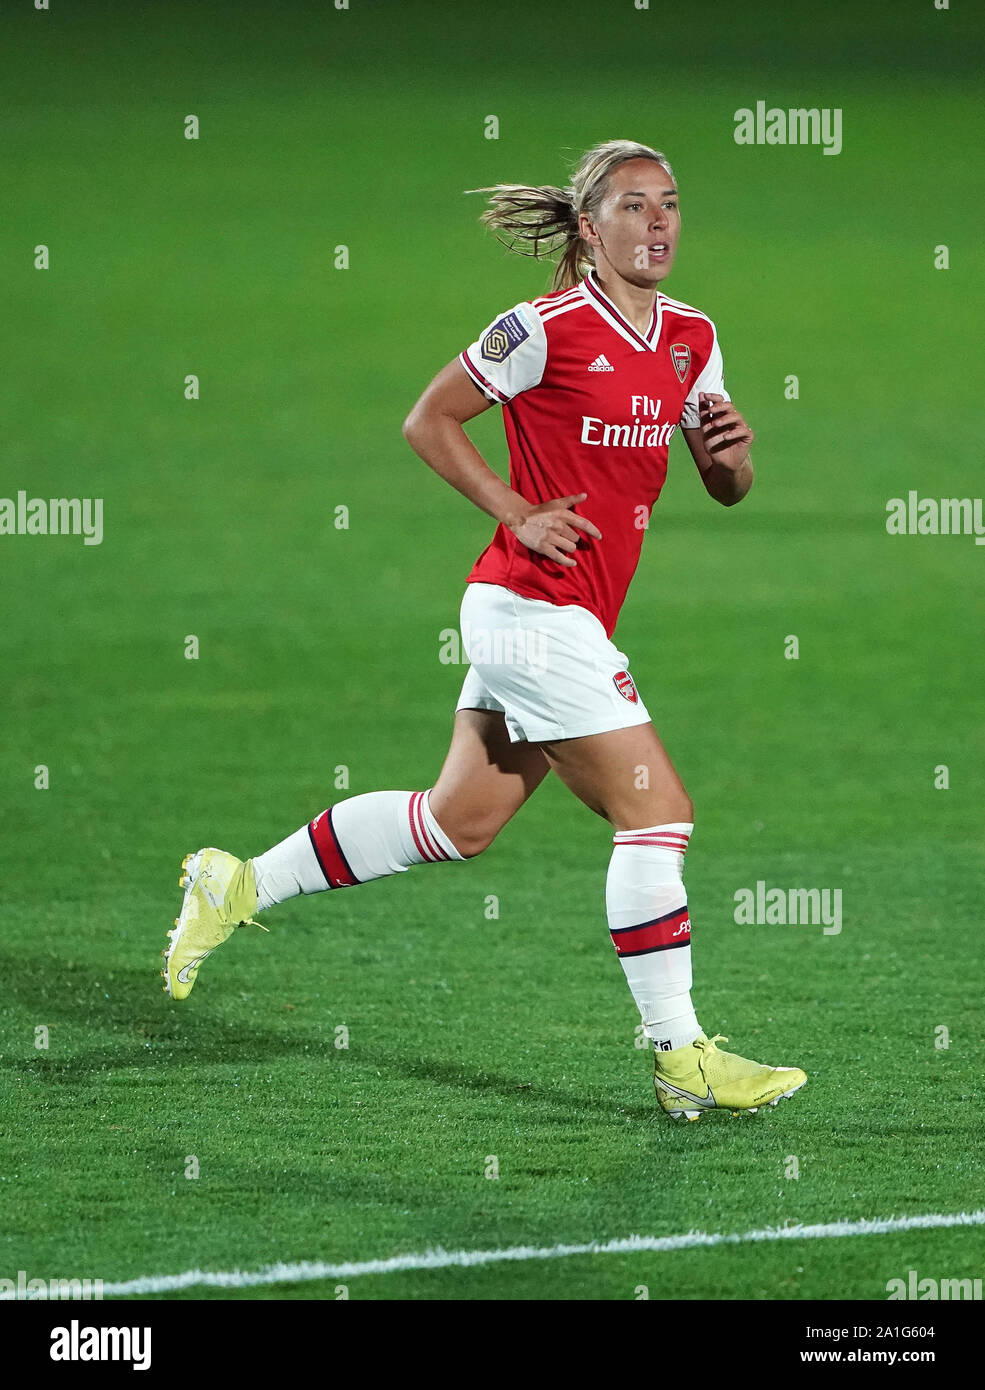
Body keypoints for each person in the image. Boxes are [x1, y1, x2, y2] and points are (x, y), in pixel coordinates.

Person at [161, 138, 806, 1122]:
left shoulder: (691, 337)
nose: (659, 223)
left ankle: (236, 883)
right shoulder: (540, 327)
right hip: (529, 610)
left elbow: (726, 486)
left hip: (561, 617)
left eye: (669, 204)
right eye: (634, 207)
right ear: (591, 230)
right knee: (656, 812)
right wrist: (515, 507)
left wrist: (731, 456)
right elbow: (429, 419)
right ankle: (681, 1054)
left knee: (453, 822)